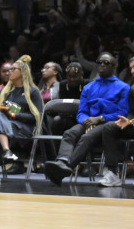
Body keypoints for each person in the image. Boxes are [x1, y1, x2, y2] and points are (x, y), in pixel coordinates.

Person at [42, 52, 130, 186]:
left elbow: (122, 113)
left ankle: (66, 169)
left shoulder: (123, 87)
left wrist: (99, 118)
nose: (101, 65)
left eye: (106, 63)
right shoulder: (89, 87)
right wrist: (86, 120)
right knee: (69, 133)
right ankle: (62, 161)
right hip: (88, 121)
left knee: (86, 137)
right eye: (99, 62)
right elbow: (81, 111)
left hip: (107, 122)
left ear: (114, 66)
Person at [0, 56, 43, 183]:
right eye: (8, 70)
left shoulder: (33, 92)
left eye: (12, 69)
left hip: (25, 128)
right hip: (6, 127)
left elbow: (36, 118)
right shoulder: (5, 91)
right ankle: (6, 151)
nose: (8, 72)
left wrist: (14, 115)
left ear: (22, 72)